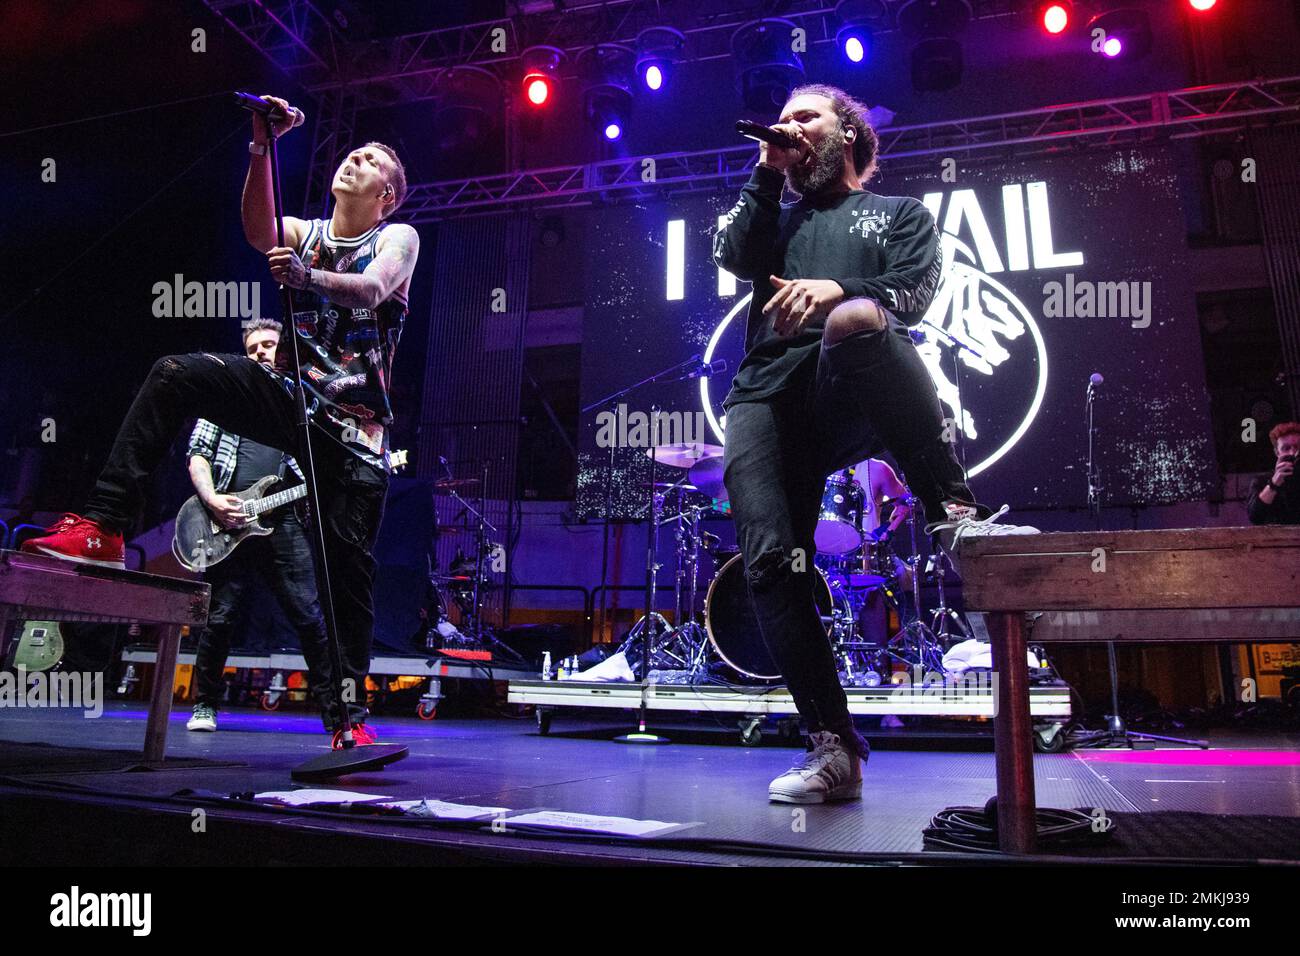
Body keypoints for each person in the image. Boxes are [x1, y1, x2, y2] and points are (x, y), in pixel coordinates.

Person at [22, 95, 420, 748]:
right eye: (354, 151)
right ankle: (104, 526)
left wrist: (308, 277)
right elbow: (259, 229)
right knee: (174, 373)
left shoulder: (395, 237)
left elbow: (374, 289)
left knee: (344, 587)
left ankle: (347, 720)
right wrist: (261, 143)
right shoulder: (306, 231)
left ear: (388, 196)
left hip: (352, 436)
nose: (357, 157)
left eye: (373, 160)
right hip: (294, 404)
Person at [713, 83, 1034, 804]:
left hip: (846, 385)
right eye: (784, 118)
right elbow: (735, 255)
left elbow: (912, 296)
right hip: (763, 399)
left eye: (806, 117)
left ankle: (952, 509)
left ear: (848, 132)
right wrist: (767, 170)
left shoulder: (899, 214)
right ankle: (833, 746)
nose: (790, 126)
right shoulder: (776, 216)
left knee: (857, 316)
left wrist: (832, 289)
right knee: (770, 561)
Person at [184, 319, 347, 734]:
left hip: (284, 522)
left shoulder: (302, 404)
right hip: (227, 527)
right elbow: (198, 453)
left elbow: (323, 461)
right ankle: (205, 705)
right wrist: (211, 498)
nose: (261, 352)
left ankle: (336, 714)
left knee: (310, 617)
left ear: (285, 351)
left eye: (270, 345)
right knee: (219, 618)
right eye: (254, 347)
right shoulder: (225, 400)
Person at [1246, 421, 1300, 525]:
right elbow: (1255, 517)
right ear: (1277, 452)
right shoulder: (1261, 481)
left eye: (1297, 447)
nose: (1293, 453)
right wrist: (1273, 484)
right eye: (1286, 448)